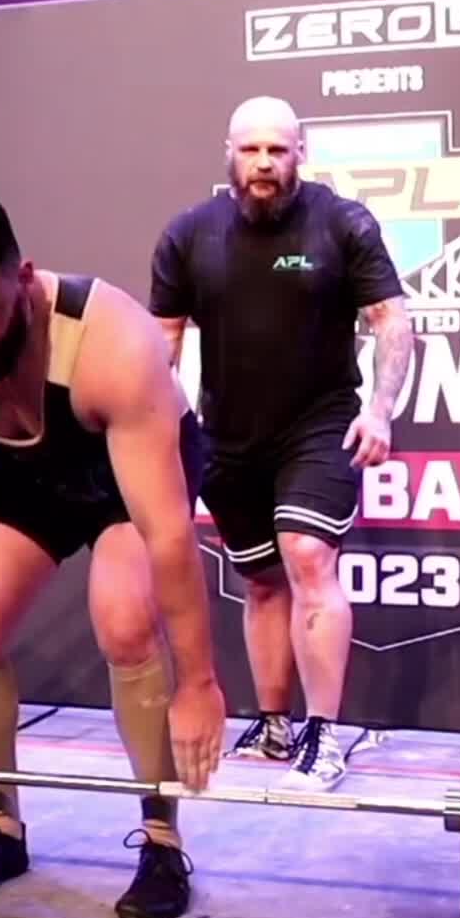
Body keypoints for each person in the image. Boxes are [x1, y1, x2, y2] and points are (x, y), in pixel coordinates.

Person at [0, 187, 226, 918]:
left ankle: (161, 840)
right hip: (25, 468)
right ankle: (1, 829)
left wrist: (199, 684)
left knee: (124, 618)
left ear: (22, 278)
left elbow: (166, 534)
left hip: (123, 470)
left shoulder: (112, 343)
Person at [149, 97, 414, 791]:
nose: (264, 162)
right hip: (227, 437)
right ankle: (274, 727)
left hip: (320, 426)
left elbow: (391, 321)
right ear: (228, 154)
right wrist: (159, 434)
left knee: (306, 555)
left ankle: (323, 736)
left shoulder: (343, 223)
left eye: (278, 149)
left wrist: (380, 411)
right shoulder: (188, 235)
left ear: (301, 153)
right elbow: (160, 345)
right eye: (251, 150)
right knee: (263, 581)